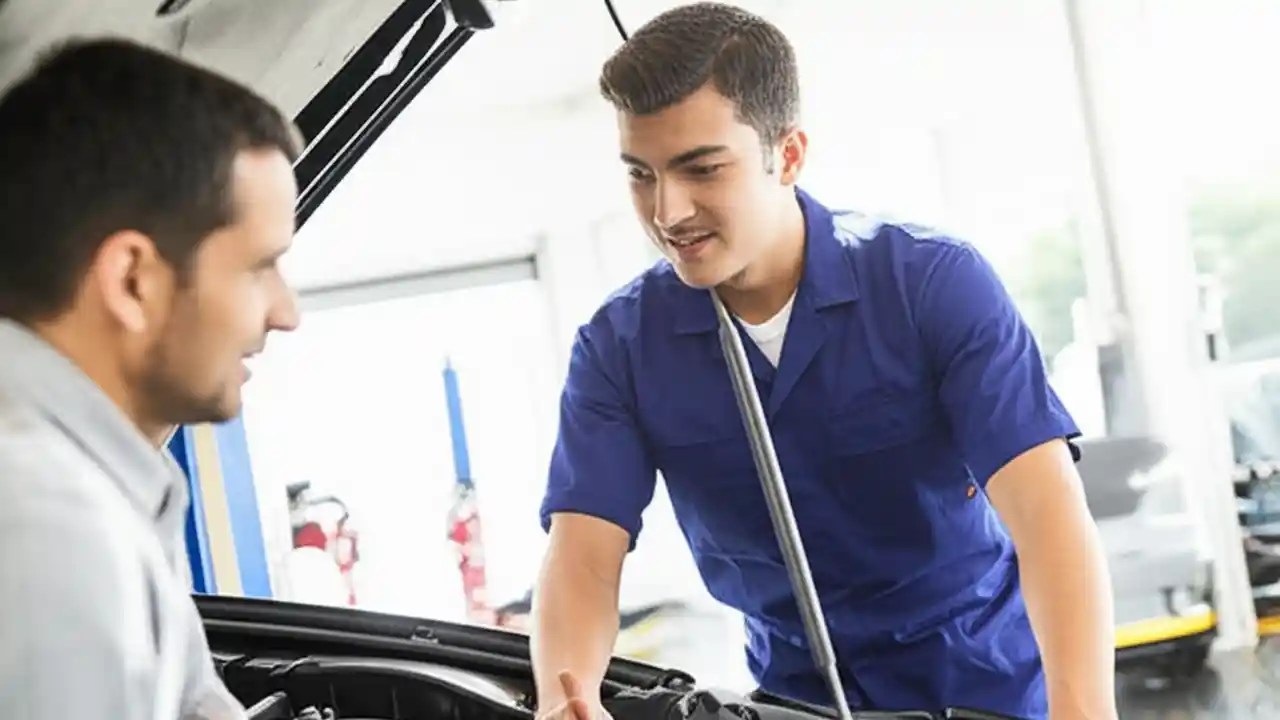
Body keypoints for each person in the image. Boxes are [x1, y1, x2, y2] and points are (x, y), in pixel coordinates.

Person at [530, 4, 1118, 720]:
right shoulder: (619, 347)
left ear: (790, 153)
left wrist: (1082, 709)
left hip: (985, 689)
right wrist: (569, 696)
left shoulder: (929, 285)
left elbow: (1046, 509)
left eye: (701, 170)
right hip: (792, 702)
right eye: (640, 176)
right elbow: (585, 553)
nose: (668, 211)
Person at [0, 39, 302, 718]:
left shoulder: (98, 488)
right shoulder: (45, 527)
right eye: (260, 267)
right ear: (133, 280)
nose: (286, 314)